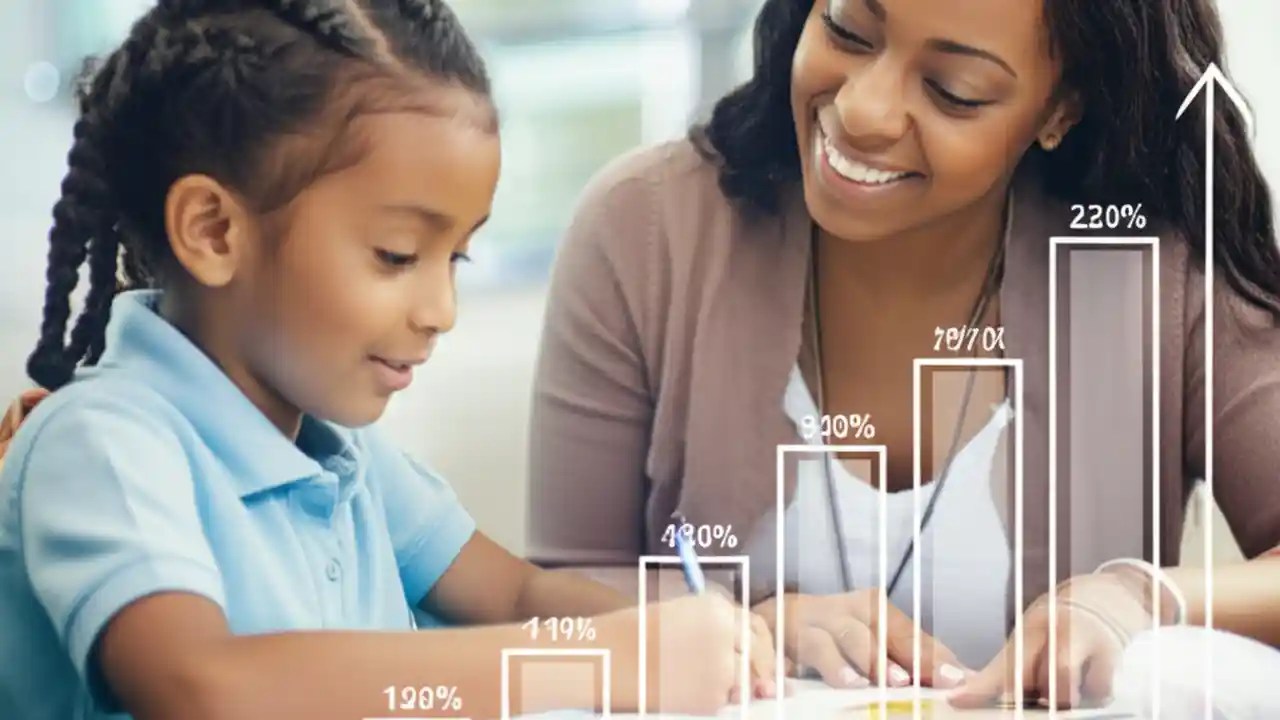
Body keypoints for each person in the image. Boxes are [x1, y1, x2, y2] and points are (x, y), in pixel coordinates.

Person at [0, 2, 776, 719]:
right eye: (397, 255)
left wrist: (720, 636)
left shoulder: (344, 454)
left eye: (456, 259)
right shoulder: (101, 443)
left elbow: (514, 593)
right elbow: (201, 685)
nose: (441, 311)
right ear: (212, 231)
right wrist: (590, 664)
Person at [527, 0, 1280, 710]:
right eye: (849, 31)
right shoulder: (646, 227)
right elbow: (546, 595)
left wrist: (1141, 598)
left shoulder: (1160, 264)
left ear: (1061, 108)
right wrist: (752, 625)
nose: (863, 110)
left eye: (954, 90)